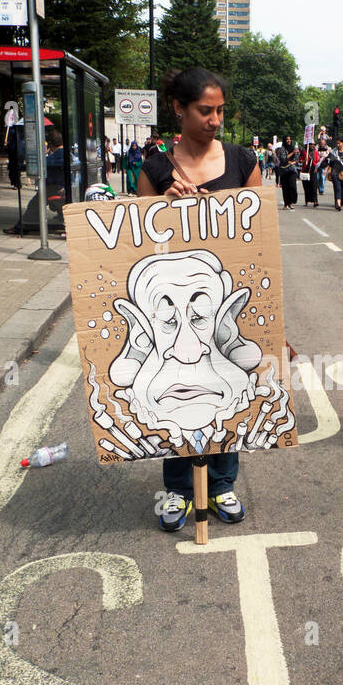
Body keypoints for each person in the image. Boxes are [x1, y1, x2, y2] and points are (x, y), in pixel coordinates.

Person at [137, 67, 262, 532]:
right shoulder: (154, 169)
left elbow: (260, 239)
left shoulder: (243, 161)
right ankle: (177, 489)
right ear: (179, 109)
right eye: (204, 111)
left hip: (224, 304)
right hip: (174, 309)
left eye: (220, 111)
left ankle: (223, 482)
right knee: (178, 396)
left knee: (225, 391)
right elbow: (137, 247)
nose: (215, 120)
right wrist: (160, 206)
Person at [325, 138, 343, 210]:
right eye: (337, 143)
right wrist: (326, 170)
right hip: (335, 171)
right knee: (337, 186)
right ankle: (337, 203)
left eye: (339, 143)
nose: (338, 145)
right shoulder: (333, 151)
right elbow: (330, 163)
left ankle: (340, 201)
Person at [277, 135, 299, 209]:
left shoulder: (294, 148)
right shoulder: (282, 149)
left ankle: (292, 202)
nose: (289, 141)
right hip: (284, 170)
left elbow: (296, 159)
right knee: (285, 188)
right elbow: (283, 159)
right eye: (287, 139)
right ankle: (286, 204)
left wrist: (294, 161)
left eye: (290, 139)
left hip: (292, 170)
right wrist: (292, 153)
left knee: (292, 186)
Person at [299, 142, 320, 207]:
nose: (312, 146)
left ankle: (315, 201)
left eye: (313, 145)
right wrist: (304, 160)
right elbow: (300, 160)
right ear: (308, 145)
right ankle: (306, 201)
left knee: (314, 186)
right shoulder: (304, 151)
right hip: (305, 170)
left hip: (313, 170)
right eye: (311, 144)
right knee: (306, 186)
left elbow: (317, 160)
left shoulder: (316, 152)